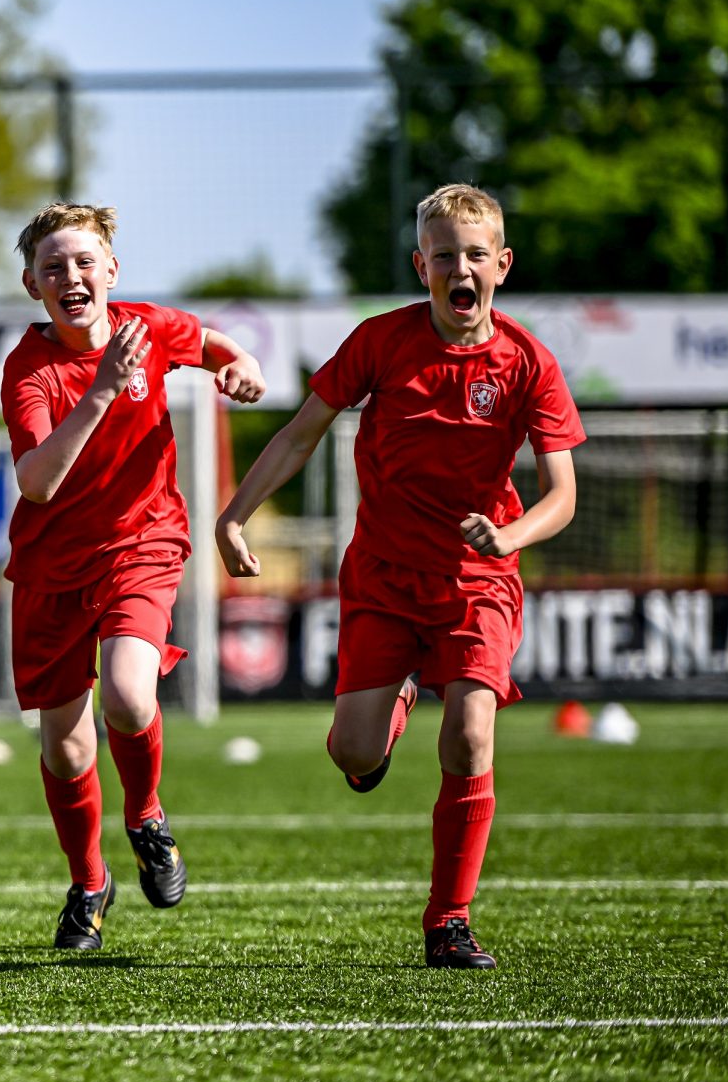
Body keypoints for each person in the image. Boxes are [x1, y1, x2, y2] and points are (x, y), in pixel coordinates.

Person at [216, 183, 582, 969]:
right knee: (352, 754)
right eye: (444, 254)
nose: (461, 267)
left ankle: (449, 919)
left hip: (477, 580)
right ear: (422, 265)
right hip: (381, 576)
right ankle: (395, 704)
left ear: (502, 265)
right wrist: (234, 514)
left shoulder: (528, 362)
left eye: (476, 254)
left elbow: (563, 494)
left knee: (472, 732)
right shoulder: (380, 342)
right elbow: (300, 433)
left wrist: (508, 534)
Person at [2, 202, 266, 951]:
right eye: (53, 267)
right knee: (66, 748)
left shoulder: (147, 327)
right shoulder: (29, 369)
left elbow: (210, 342)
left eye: (84, 261)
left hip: (142, 545)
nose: (71, 276)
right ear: (33, 286)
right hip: (53, 567)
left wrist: (237, 362)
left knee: (126, 692)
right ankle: (90, 881)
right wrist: (102, 389)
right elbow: (38, 482)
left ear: (111, 270)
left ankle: (146, 815)